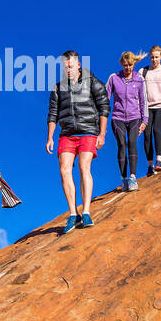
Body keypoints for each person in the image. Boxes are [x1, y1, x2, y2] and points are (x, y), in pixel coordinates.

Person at [46, 51, 109, 233]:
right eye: (65, 67)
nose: (68, 70)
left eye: (71, 66)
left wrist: (102, 134)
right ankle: (74, 214)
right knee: (64, 170)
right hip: (67, 134)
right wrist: (50, 137)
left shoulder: (93, 82)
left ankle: (86, 212)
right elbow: (53, 114)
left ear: (78, 65)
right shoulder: (58, 88)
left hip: (88, 131)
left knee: (83, 167)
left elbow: (104, 107)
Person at [107, 51, 148, 192]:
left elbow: (144, 101)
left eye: (130, 65)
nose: (128, 68)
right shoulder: (114, 78)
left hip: (134, 117)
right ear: (121, 64)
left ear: (134, 64)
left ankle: (132, 178)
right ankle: (124, 179)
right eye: (125, 65)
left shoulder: (139, 79)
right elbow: (105, 99)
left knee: (132, 142)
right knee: (121, 144)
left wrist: (145, 120)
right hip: (117, 118)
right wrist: (102, 116)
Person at [140, 45, 161, 175]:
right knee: (147, 134)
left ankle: (159, 161)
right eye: (152, 57)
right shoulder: (143, 71)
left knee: (156, 130)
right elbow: (138, 91)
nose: (154, 60)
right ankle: (150, 165)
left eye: (156, 57)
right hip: (147, 108)